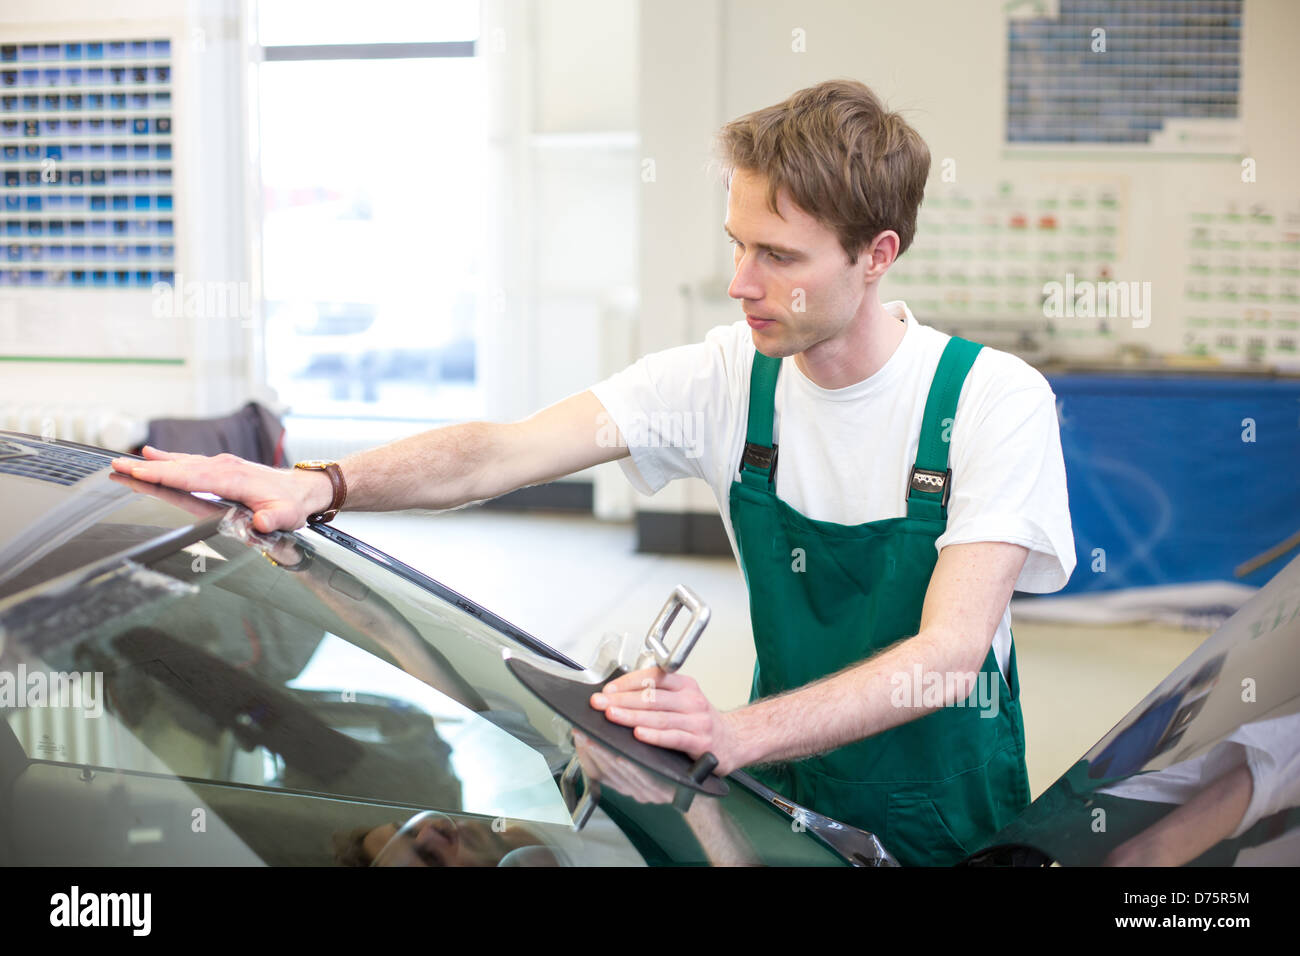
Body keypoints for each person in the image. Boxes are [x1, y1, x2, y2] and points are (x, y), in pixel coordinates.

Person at [111, 78, 1074, 866]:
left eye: (777, 255)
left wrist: (730, 737)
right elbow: (504, 450)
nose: (740, 281)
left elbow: (950, 658)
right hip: (785, 799)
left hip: (944, 824)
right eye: (737, 243)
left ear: (877, 256)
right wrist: (322, 485)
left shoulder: (992, 402)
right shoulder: (729, 379)